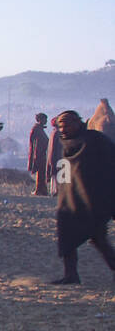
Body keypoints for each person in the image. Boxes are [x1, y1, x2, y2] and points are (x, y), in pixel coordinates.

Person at [50, 110, 115, 285]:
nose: (63, 130)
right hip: (69, 199)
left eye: (67, 126)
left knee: (98, 239)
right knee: (67, 239)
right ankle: (71, 275)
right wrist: (61, 192)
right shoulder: (64, 142)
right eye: (60, 127)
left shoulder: (95, 140)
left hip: (93, 200)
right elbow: (63, 168)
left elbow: (111, 164)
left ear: (78, 123)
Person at [27, 112, 50, 196]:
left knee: (42, 173)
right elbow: (33, 143)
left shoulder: (40, 129)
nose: (46, 121)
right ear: (40, 119)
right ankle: (39, 190)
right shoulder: (36, 129)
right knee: (40, 173)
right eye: (44, 119)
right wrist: (34, 156)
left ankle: (42, 190)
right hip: (38, 154)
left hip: (42, 154)